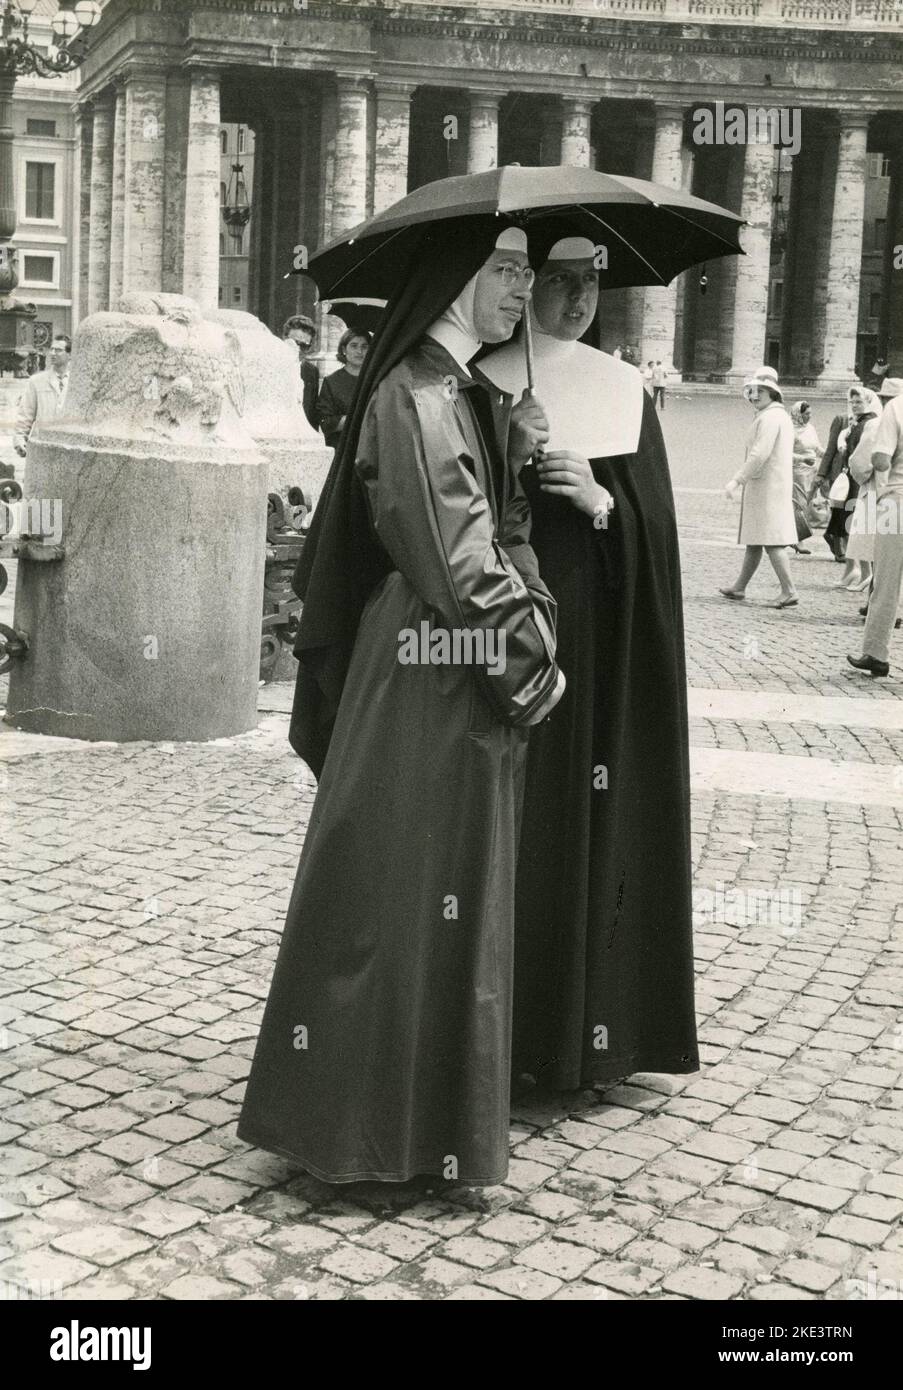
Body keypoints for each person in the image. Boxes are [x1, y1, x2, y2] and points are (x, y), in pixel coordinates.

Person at [237, 223, 565, 1185]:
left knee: (428, 889)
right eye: (504, 269)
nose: (522, 288)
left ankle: (413, 1126)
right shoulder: (420, 396)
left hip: (444, 665)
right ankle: (363, 1131)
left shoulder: (458, 395)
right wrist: (536, 659)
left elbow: (488, 536)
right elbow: (461, 567)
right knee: (399, 888)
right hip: (435, 665)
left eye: (525, 272)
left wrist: (512, 448)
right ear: (456, 277)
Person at [479, 234, 698, 1094]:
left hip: (593, 643)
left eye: (590, 285)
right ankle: (503, 1031)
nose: (575, 303)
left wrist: (603, 501)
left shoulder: (620, 390)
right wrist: (513, 458)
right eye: (559, 284)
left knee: (584, 811)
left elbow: (658, 535)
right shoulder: (484, 376)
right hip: (501, 637)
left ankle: (583, 1032)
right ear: (529, 287)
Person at [720, 366, 798, 608]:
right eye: (752, 391)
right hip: (768, 482)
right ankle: (740, 586)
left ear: (772, 393)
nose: (754, 396)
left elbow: (759, 454)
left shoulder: (771, 417)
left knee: (772, 539)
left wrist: (737, 479)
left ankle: (789, 590)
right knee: (755, 537)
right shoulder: (775, 415)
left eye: (760, 391)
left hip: (767, 485)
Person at [848, 377, 903, 677]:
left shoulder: (896, 408)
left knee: (886, 581)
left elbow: (880, 461)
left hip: (896, 501)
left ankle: (876, 653)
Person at [827, 387, 881, 591]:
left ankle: (864, 573)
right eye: (853, 402)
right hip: (850, 479)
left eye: (859, 402)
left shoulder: (869, 423)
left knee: (858, 528)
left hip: (859, 481)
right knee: (848, 525)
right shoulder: (857, 422)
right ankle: (852, 570)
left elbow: (861, 457)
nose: (855, 405)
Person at [13, 334, 71, 457]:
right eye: (52, 349)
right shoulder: (36, 381)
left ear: (69, 355)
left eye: (58, 350)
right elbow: (26, 413)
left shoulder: (77, 382)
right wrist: (20, 438)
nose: (53, 353)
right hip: (41, 445)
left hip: (68, 448)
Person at [314, 328, 371, 450]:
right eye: (354, 346)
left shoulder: (375, 381)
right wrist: (355, 419)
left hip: (369, 448)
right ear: (344, 350)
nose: (359, 351)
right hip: (342, 448)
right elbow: (326, 422)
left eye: (364, 346)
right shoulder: (332, 381)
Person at [815, 404, 855, 561]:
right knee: (839, 509)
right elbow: (830, 448)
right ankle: (839, 548)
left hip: (854, 473)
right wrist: (821, 474)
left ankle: (834, 536)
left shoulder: (869, 421)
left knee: (849, 510)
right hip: (839, 474)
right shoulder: (841, 419)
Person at [789, 399, 822, 555]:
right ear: (799, 414)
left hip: (812, 470)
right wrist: (803, 459)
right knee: (799, 505)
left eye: (810, 413)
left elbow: (816, 448)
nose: (809, 416)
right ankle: (798, 540)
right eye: (806, 414)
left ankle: (795, 536)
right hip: (798, 471)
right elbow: (785, 452)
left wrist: (829, 454)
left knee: (809, 504)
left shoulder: (810, 428)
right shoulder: (790, 430)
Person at [282, 314, 320, 429]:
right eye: (294, 342)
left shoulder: (311, 371)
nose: (298, 349)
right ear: (284, 338)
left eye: (304, 346)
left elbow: (312, 412)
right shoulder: (272, 366)